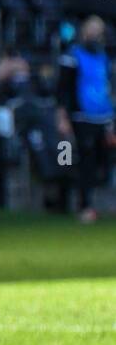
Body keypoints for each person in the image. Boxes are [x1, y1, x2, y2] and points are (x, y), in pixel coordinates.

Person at [57, 15, 114, 223]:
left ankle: (98, 202)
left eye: (99, 30)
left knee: (104, 163)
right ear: (84, 31)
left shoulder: (103, 57)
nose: (96, 34)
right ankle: (84, 205)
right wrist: (62, 116)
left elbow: (107, 85)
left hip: (104, 115)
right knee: (83, 162)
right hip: (82, 116)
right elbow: (62, 89)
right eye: (92, 29)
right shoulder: (72, 56)